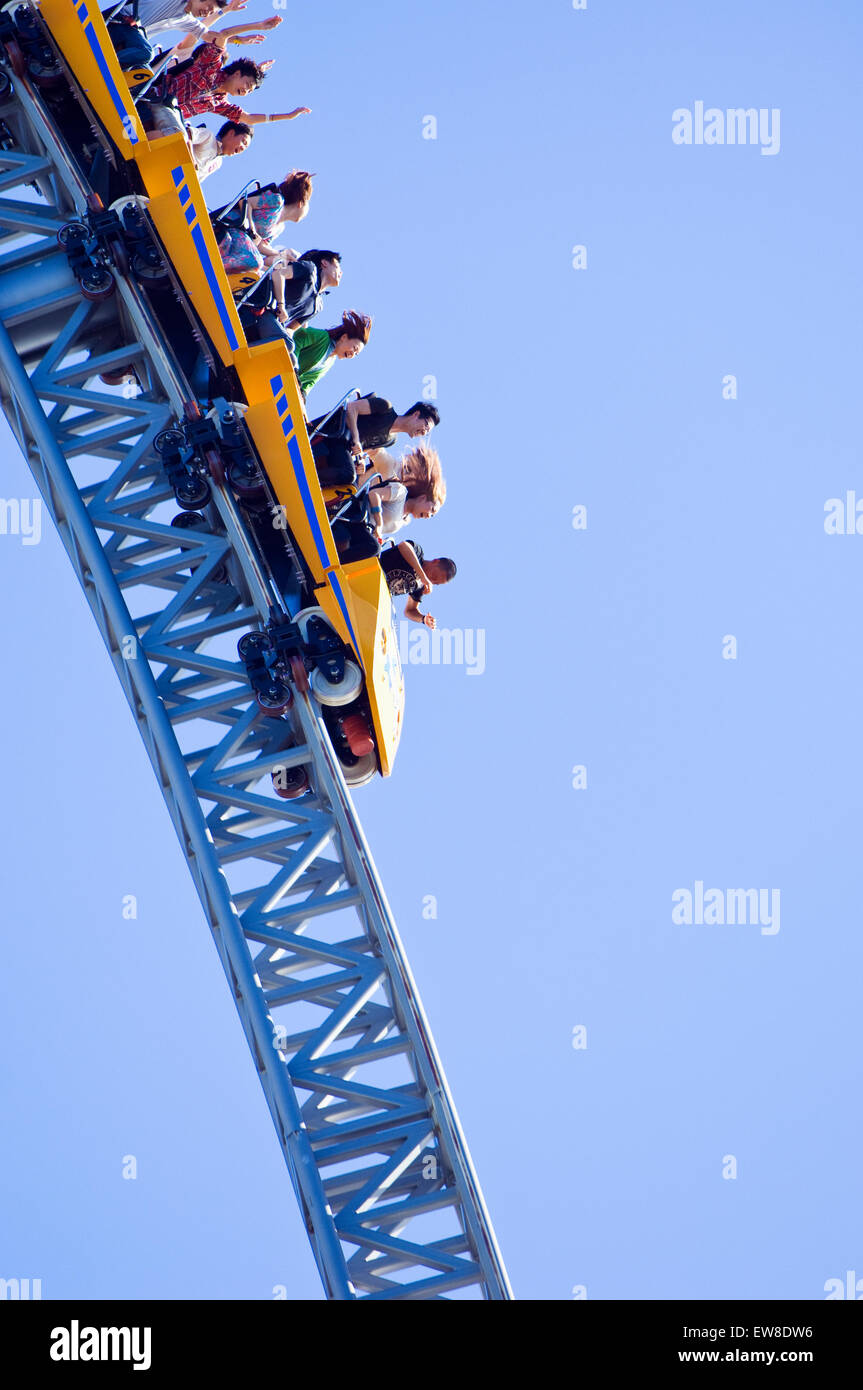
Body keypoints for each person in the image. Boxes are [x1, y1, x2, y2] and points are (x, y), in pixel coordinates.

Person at [148, 30, 310, 130]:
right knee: (178, 133)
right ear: (237, 73)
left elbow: (249, 118)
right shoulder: (211, 66)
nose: (246, 90)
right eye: (247, 84)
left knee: (178, 137)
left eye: (249, 91)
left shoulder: (219, 103)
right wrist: (256, 28)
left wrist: (288, 116)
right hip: (156, 98)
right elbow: (223, 35)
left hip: (163, 119)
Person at [311, 395, 439, 459]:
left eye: (427, 432)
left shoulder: (391, 440)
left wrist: (360, 459)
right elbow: (351, 407)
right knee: (347, 472)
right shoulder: (385, 407)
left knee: (350, 478)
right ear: (416, 414)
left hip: (342, 450)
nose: (424, 431)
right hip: (334, 432)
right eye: (426, 425)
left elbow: (363, 449)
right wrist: (355, 439)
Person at [293, 311, 372, 398]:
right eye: (354, 348)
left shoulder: (329, 363)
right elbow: (299, 338)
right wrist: (293, 365)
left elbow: (311, 381)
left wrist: (303, 394)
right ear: (344, 337)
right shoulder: (323, 337)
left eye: (356, 354)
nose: (352, 354)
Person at [379, 539, 456, 628]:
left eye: (435, 583)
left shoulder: (420, 586)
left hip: (377, 590)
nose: (431, 581)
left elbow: (409, 611)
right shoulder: (418, 554)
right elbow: (403, 546)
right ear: (435, 561)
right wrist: (423, 576)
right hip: (372, 569)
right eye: (434, 576)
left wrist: (423, 619)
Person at [188, 118, 252, 180]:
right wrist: (192, 160)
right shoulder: (208, 137)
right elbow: (186, 134)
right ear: (231, 133)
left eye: (245, 148)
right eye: (243, 142)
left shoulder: (218, 163)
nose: (243, 148)